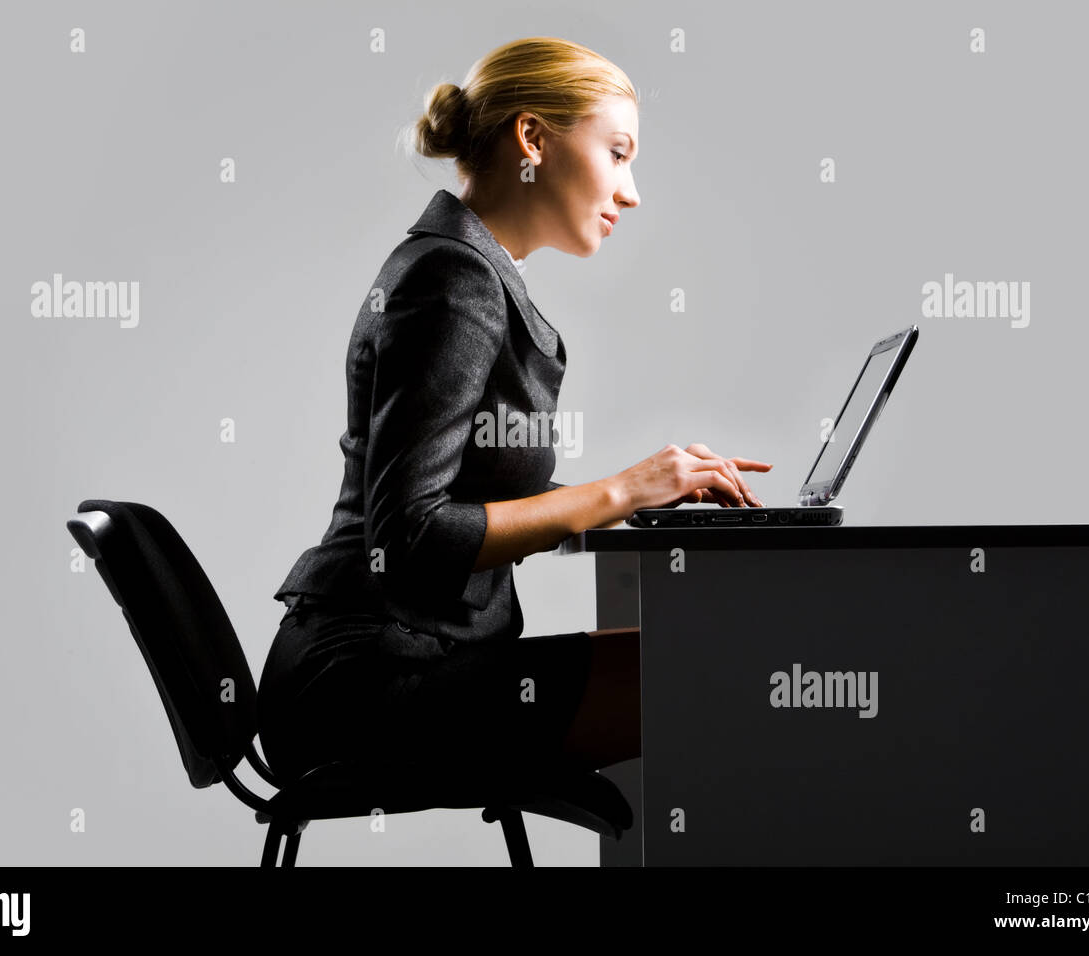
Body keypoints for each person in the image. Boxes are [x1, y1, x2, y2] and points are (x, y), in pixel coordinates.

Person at [256, 36, 772, 782]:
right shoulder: (453, 279)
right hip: (367, 682)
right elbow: (410, 536)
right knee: (727, 670)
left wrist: (634, 501)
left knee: (714, 667)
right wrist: (619, 491)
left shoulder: (467, 269)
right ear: (532, 138)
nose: (632, 191)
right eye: (618, 153)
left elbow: (458, 508)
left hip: (401, 660)